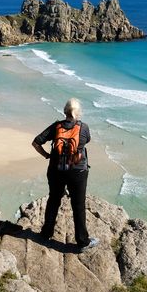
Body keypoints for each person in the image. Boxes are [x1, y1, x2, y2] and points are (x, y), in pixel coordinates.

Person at [31, 98, 100, 252]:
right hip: (77, 172)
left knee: (54, 200)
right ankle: (82, 242)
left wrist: (47, 155)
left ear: (64, 111)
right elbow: (87, 140)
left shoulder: (56, 126)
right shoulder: (84, 128)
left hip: (56, 170)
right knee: (78, 205)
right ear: (78, 112)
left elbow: (36, 142)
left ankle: (46, 233)